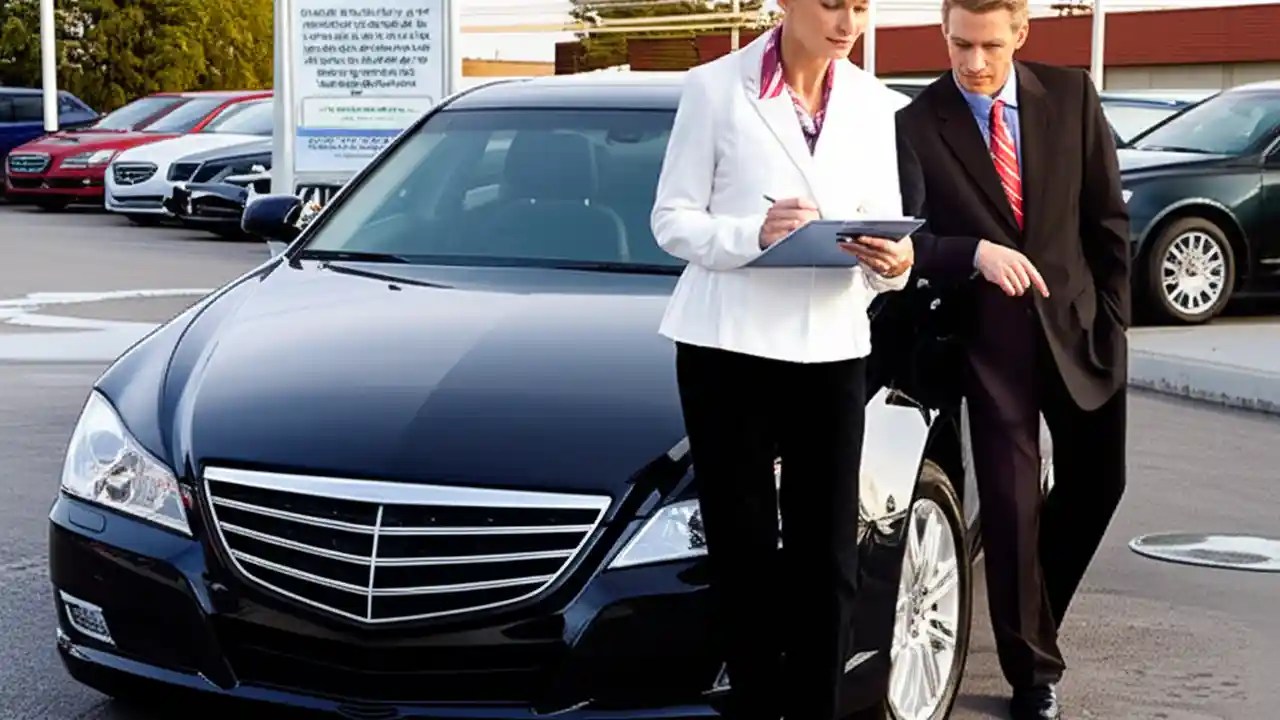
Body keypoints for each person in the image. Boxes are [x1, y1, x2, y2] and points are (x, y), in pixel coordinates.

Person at [648, 1, 916, 718]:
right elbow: (670, 219)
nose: (848, 21)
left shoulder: (872, 102)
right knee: (741, 554)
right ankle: (758, 706)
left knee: (827, 557)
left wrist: (895, 259)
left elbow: (888, 232)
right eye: (833, 4)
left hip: (829, 347)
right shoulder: (712, 89)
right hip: (725, 346)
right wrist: (753, 232)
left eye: (861, 7)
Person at [863, 0, 1131, 718]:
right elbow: (911, 246)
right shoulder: (916, 125)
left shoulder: (1071, 95)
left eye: (988, 45)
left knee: (1101, 484)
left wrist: (1114, 322)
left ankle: (1033, 620)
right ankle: (1032, 675)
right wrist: (975, 256)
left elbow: (1106, 220)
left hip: (1082, 333)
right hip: (986, 342)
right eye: (959, 44)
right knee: (1009, 511)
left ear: (1020, 31)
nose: (973, 62)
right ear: (943, 33)